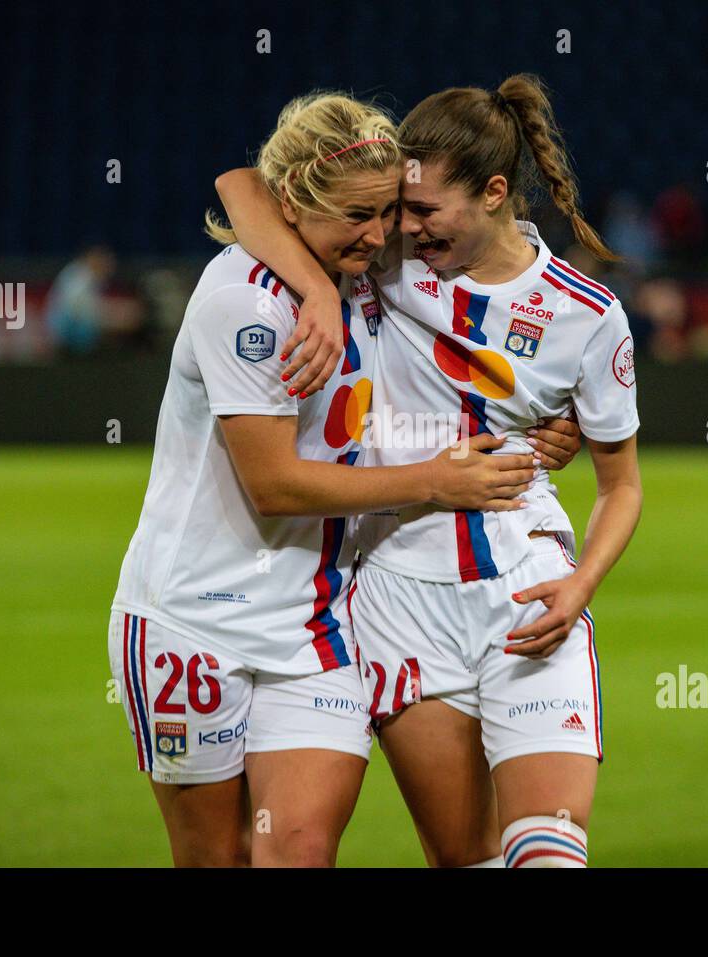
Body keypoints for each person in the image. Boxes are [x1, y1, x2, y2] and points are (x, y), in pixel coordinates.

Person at [108, 91, 583, 868]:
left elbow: (244, 185)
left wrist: (541, 425)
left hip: (317, 627)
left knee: (298, 850)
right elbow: (276, 487)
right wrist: (434, 481)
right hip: (194, 619)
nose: (384, 233)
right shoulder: (243, 303)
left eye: (389, 210)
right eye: (359, 215)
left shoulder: (362, 268)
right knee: (217, 856)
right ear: (297, 202)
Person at [215, 74, 645, 867]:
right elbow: (241, 190)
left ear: (492, 194)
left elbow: (624, 486)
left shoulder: (588, 315)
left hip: (526, 589)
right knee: (466, 858)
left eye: (417, 210)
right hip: (396, 598)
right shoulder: (381, 262)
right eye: (389, 210)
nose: (394, 227)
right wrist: (314, 285)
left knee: (548, 853)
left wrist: (581, 582)